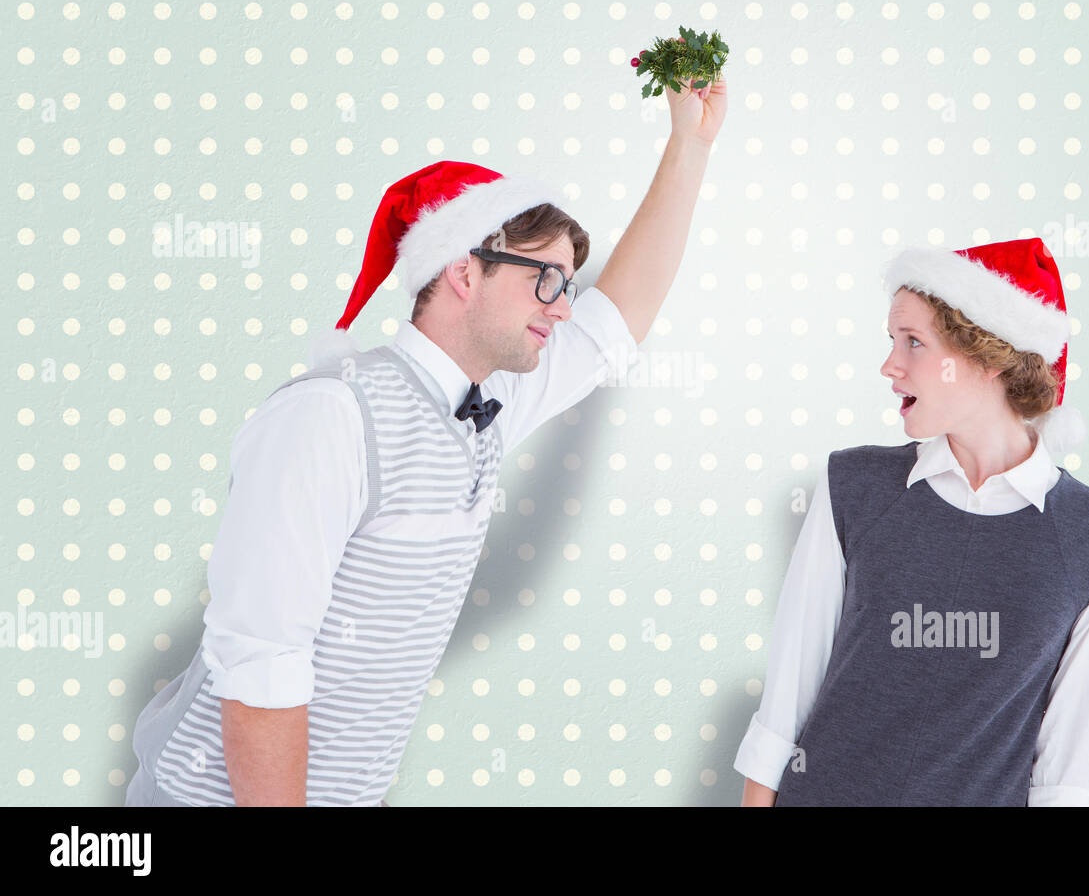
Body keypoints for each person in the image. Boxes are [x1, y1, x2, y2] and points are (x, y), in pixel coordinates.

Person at [124, 75, 727, 806]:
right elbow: (260, 666)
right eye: (547, 280)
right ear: (464, 269)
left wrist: (688, 146)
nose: (564, 309)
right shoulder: (330, 418)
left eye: (567, 286)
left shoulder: (488, 403)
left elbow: (614, 326)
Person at [733, 237, 1089, 806]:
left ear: (985, 358)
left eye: (913, 343)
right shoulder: (853, 486)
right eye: (891, 341)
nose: (889, 365)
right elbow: (786, 700)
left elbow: (1065, 771)